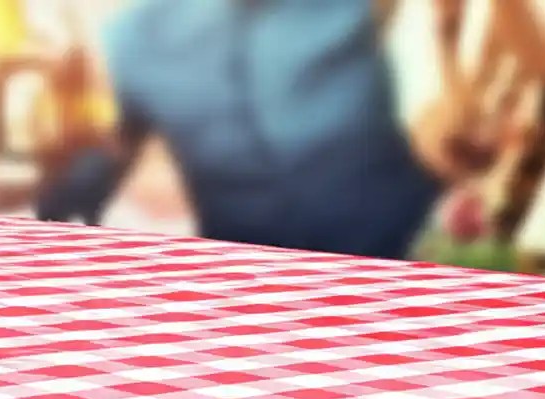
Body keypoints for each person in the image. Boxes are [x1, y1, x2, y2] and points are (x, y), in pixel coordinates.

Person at [34, 0, 493, 259]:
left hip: (398, 267)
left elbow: (447, 134)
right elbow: (115, 151)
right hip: (254, 287)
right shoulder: (136, 39)